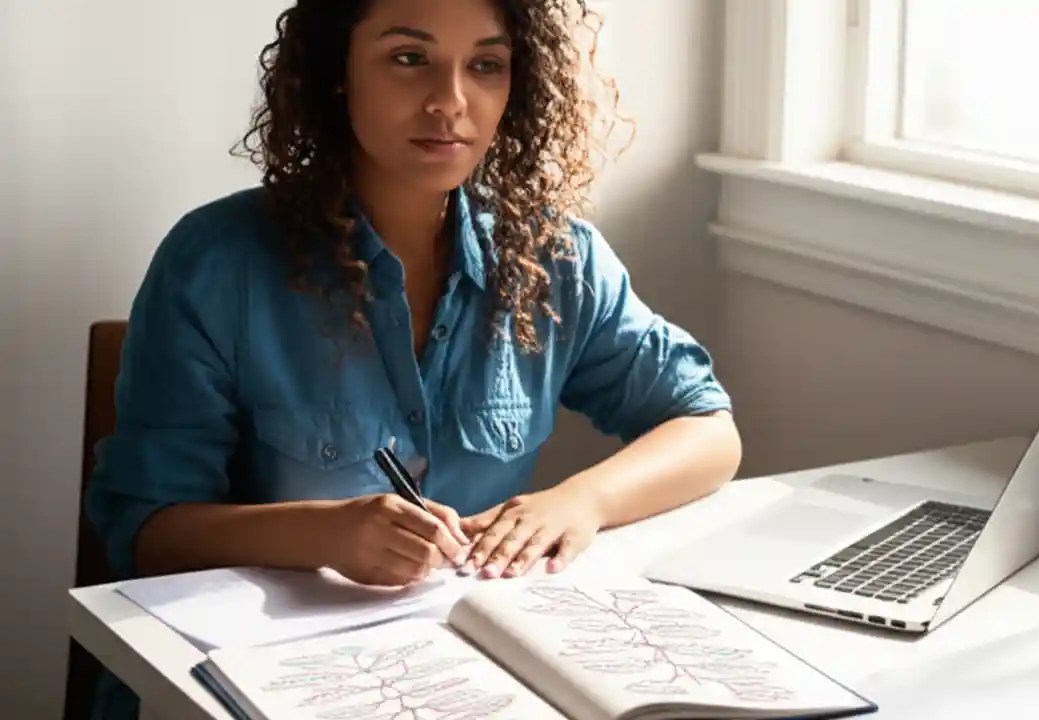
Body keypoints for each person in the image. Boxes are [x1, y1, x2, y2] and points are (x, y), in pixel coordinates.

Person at [83, 0, 741, 717]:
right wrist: (324, 534)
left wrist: (581, 501)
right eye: (408, 58)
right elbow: (146, 534)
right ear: (339, 73)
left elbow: (708, 429)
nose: (450, 101)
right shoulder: (215, 263)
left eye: (485, 66)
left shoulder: (557, 261)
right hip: (244, 685)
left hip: (461, 682)